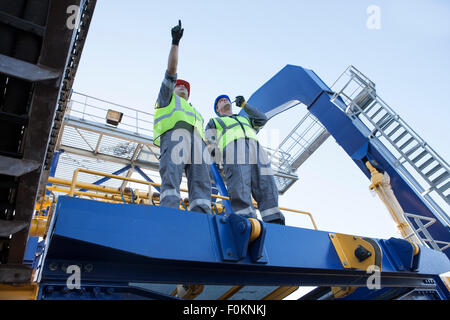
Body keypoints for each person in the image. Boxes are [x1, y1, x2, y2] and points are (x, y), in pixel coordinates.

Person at [153, 20, 211, 213]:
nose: (182, 87)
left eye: (185, 87)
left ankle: (201, 218)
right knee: (171, 178)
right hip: (175, 136)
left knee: (202, 184)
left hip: (198, 143)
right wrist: (175, 42)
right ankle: (168, 214)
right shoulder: (167, 98)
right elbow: (171, 71)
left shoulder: (197, 113)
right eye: (179, 85)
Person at [205, 95, 285, 225]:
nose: (223, 100)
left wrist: (245, 106)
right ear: (218, 110)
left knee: (266, 183)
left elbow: (262, 119)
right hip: (233, 149)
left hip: (256, 147)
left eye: (225, 99)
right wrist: (218, 159)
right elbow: (209, 140)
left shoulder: (244, 118)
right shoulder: (214, 121)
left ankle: (274, 219)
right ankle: (246, 220)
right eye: (219, 101)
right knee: (239, 183)